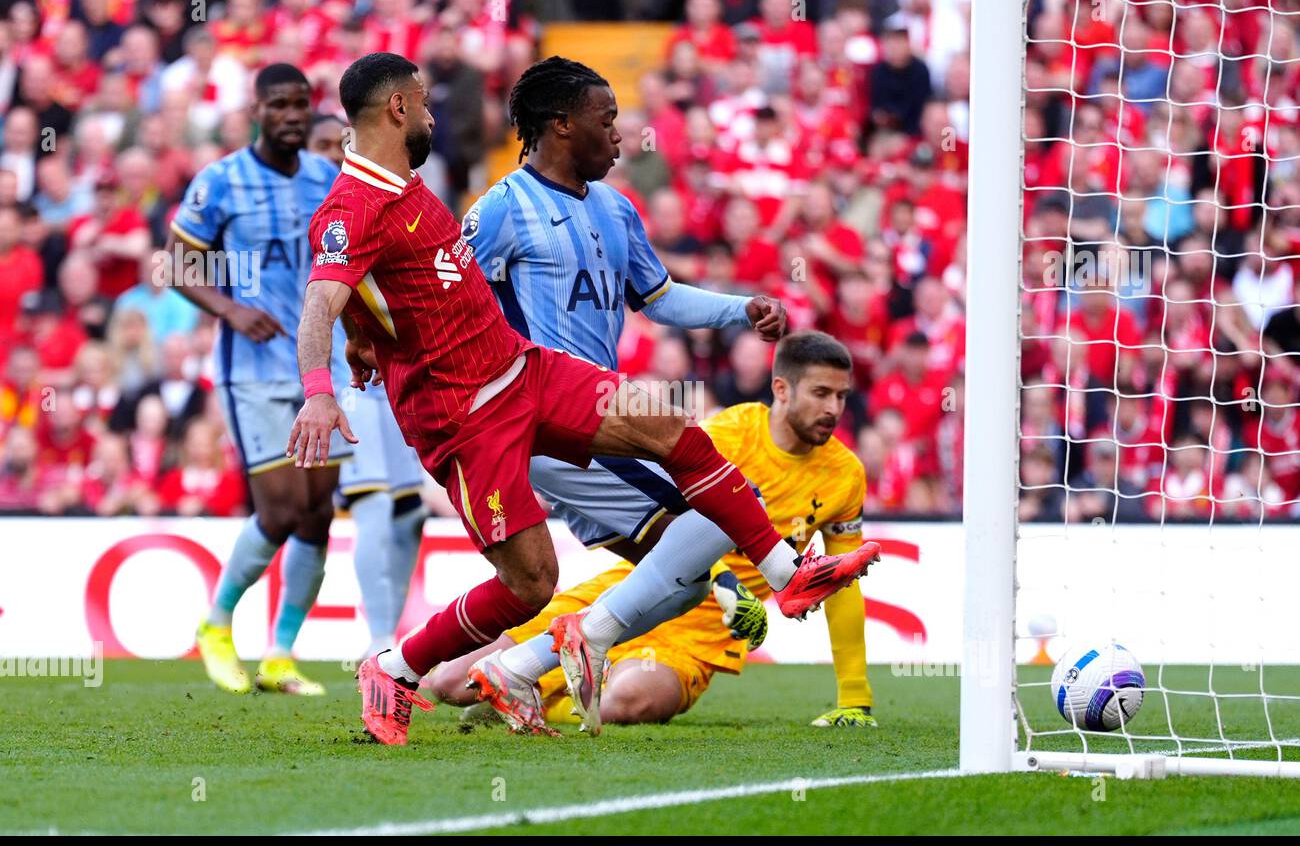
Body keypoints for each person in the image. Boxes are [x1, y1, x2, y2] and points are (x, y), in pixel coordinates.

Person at [289, 52, 880, 745]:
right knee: (531, 583)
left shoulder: (413, 189)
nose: (430, 115)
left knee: (674, 432)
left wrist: (369, 337)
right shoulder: (360, 206)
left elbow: (389, 292)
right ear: (397, 110)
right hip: (466, 415)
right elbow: (321, 301)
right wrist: (319, 392)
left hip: (528, 370)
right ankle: (399, 666)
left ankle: (788, 575)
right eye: (421, 104)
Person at [433, 332, 878, 731]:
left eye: (841, 396)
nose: (833, 409)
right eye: (821, 393)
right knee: (451, 682)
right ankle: (530, 681)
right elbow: (666, 514)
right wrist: (725, 580)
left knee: (628, 700)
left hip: (698, 635)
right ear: (781, 388)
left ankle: (536, 692)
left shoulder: (845, 476)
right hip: (638, 587)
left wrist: (855, 696)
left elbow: (840, 585)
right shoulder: (729, 433)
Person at [165, 63, 348, 696]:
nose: (292, 115)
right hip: (255, 372)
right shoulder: (220, 181)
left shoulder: (330, 178)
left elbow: (351, 270)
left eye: (301, 104)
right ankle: (216, 625)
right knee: (281, 508)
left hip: (325, 366)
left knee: (319, 512)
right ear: (256, 111)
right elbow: (178, 263)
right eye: (279, 105)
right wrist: (230, 309)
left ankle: (280, 653)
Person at [309, 110, 428, 658]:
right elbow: (314, 305)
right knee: (374, 503)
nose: (335, 151)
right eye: (324, 143)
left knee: (408, 509)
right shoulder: (321, 208)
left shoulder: (383, 195)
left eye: (343, 141)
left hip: (395, 371)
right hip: (344, 378)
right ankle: (380, 639)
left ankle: (395, 631)